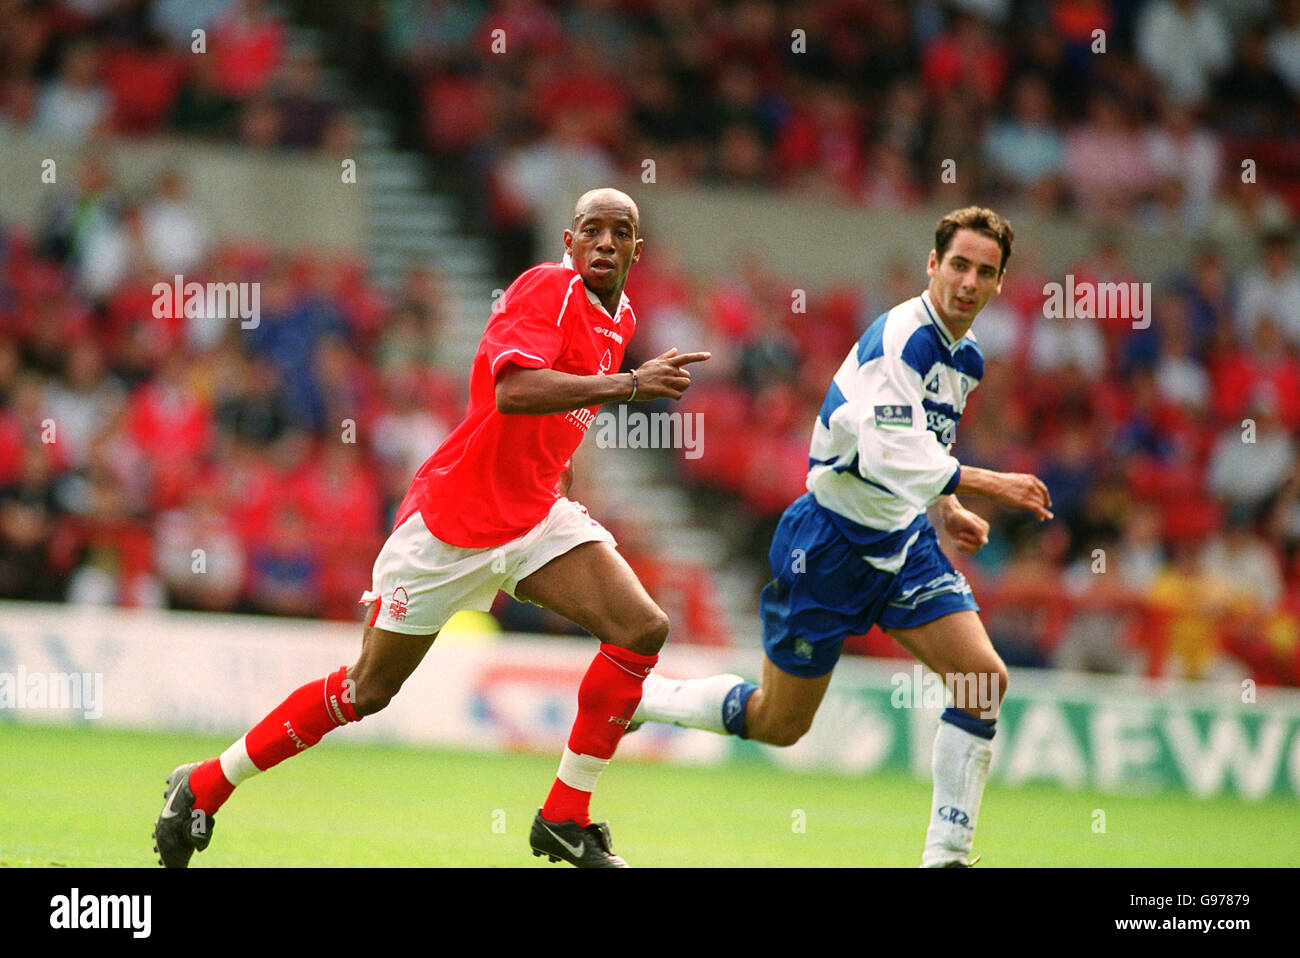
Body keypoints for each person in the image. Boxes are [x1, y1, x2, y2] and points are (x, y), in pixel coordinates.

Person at [152, 188, 710, 868]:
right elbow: (514, 390)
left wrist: (558, 470)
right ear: (568, 243)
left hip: (533, 515)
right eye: (590, 230)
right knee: (368, 690)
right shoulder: (547, 289)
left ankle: (566, 817)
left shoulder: (620, 317)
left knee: (641, 627)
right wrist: (627, 386)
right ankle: (205, 784)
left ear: (635, 250)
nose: (603, 243)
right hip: (453, 524)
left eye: (618, 233)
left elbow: (551, 419)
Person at [631, 206, 1053, 867]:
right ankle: (652, 698)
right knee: (780, 723)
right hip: (829, 541)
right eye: (960, 265)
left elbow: (922, 440)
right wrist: (992, 486)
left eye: (986, 272)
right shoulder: (899, 341)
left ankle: (947, 856)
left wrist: (943, 509)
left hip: (904, 541)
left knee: (981, 680)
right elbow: (887, 453)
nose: (970, 282)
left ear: (999, 284)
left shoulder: (964, 357)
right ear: (933, 265)